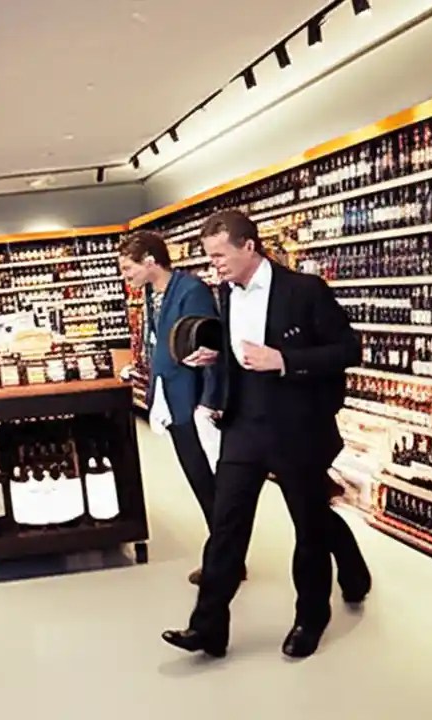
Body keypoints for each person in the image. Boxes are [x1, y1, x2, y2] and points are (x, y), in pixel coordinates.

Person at [161, 210, 372, 660]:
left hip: (297, 428)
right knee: (226, 527)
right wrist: (212, 357)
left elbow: (348, 349)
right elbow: (236, 351)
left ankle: (310, 619)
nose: (214, 264)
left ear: (248, 246)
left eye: (220, 255)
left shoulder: (304, 290)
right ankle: (208, 627)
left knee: (308, 528)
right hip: (243, 426)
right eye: (209, 256)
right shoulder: (225, 294)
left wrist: (285, 360)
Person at [117, 231, 226, 584]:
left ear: (150, 261)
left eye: (128, 268)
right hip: (172, 398)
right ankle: (226, 555)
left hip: (193, 401)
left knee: (208, 482)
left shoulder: (192, 291)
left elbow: (211, 349)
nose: (125, 276)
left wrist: (208, 403)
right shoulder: (152, 292)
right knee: (198, 480)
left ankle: (225, 559)